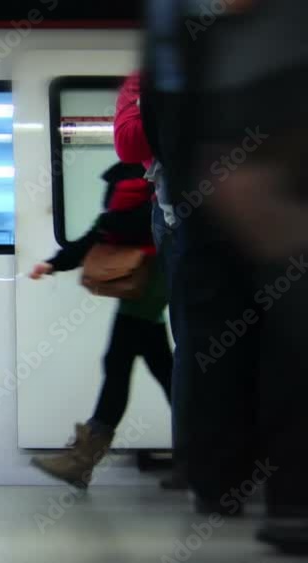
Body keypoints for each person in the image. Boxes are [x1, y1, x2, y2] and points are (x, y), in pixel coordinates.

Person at [141, 0, 308, 552]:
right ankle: (291, 500)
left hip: (202, 185)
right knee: (286, 329)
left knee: (209, 337)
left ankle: (218, 483)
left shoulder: (169, 18)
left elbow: (158, 105)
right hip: (276, 162)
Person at [27, 160, 172, 489]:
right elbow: (92, 239)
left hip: (146, 288)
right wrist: (51, 264)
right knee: (165, 371)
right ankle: (206, 457)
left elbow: (98, 235)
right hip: (148, 285)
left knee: (118, 364)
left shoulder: (133, 197)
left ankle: (82, 460)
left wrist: (53, 264)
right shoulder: (140, 195)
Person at [114, 69, 188, 491]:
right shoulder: (147, 79)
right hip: (183, 217)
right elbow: (128, 142)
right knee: (195, 339)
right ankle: (202, 458)